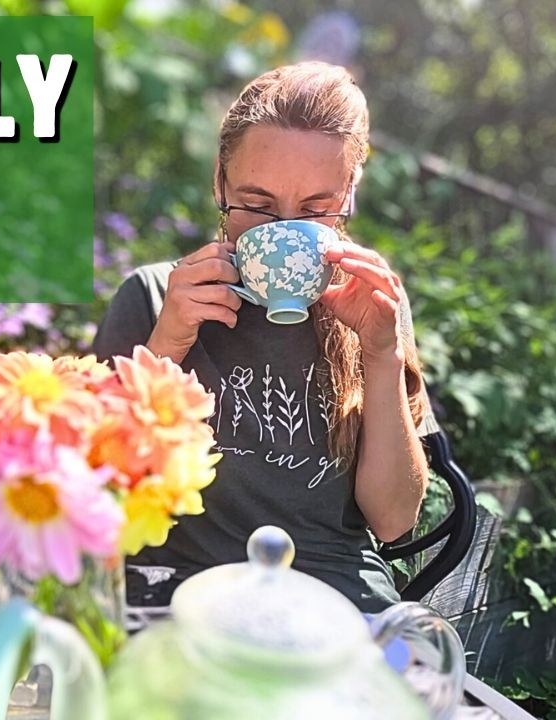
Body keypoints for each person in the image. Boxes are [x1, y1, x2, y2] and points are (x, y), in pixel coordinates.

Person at [92, 61, 440, 614]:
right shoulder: (156, 298)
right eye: (257, 205)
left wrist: (382, 354)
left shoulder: (371, 308)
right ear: (219, 182)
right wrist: (168, 345)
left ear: (348, 195)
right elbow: (100, 490)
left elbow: (394, 519)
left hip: (336, 603)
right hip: (183, 594)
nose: (281, 232)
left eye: (316, 210)